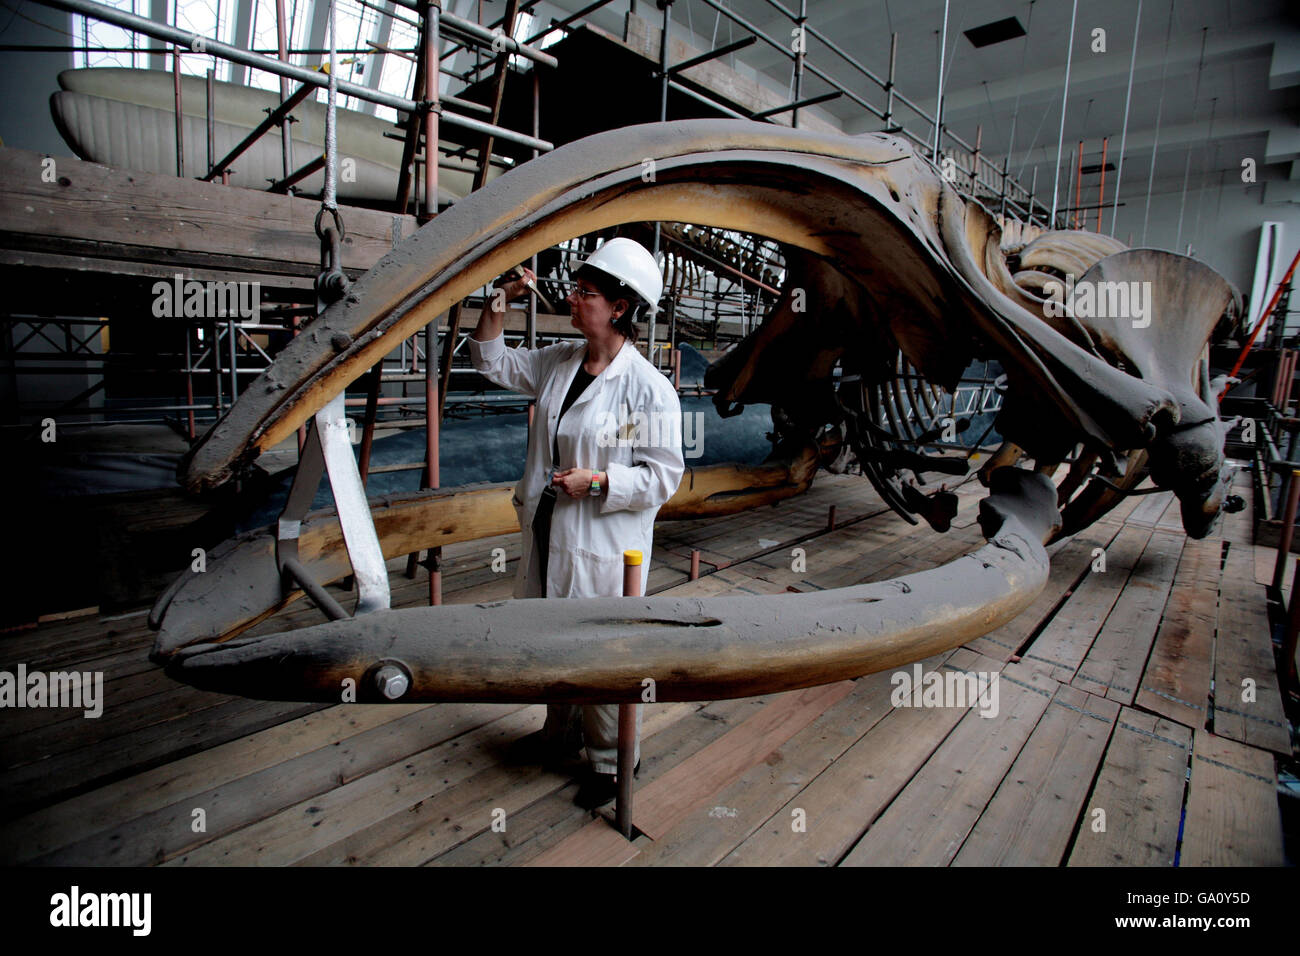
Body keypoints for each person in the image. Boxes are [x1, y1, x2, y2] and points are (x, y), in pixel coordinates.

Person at [468, 237, 686, 808]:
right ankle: (558, 733)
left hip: (601, 543)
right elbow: (491, 361)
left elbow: (664, 477)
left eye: (585, 292)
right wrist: (500, 301)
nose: (572, 297)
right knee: (550, 638)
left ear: (619, 306)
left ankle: (614, 763)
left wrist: (600, 482)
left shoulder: (646, 389)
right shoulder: (561, 362)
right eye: (575, 287)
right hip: (547, 528)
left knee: (599, 653)